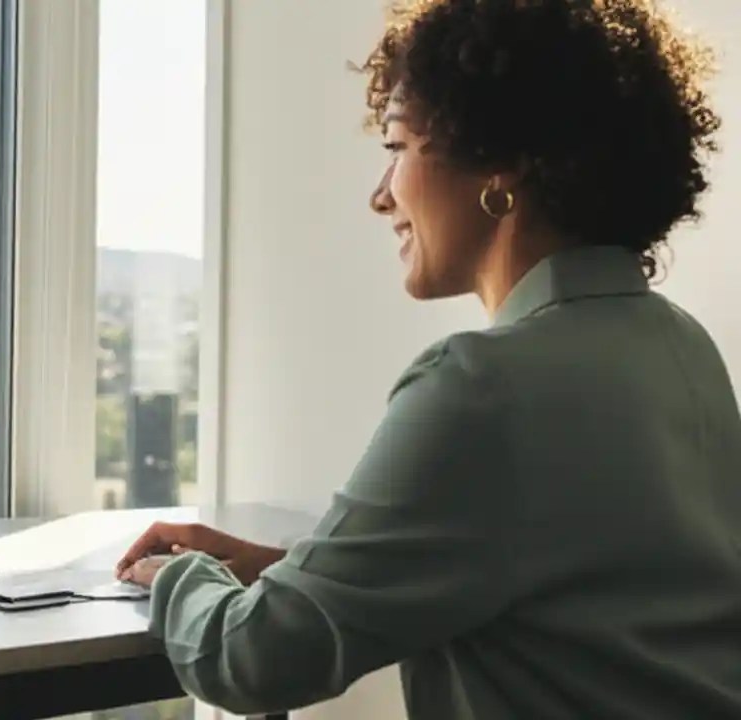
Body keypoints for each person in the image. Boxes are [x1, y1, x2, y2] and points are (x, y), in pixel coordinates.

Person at [114, 1, 741, 717]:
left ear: (500, 165)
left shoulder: (484, 387)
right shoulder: (681, 348)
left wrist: (177, 576)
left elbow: (252, 661)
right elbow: (574, 601)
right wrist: (304, 573)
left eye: (396, 148)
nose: (381, 196)